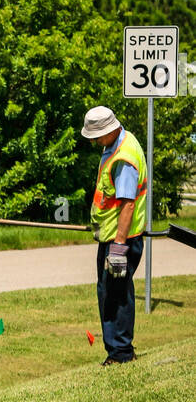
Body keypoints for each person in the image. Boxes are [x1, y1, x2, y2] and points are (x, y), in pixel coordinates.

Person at [82, 105, 148, 366]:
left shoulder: (123, 158)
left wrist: (119, 246)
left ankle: (120, 354)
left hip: (121, 240)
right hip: (114, 237)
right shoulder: (120, 143)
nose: (95, 141)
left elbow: (128, 204)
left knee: (115, 294)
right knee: (112, 291)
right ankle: (121, 351)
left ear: (110, 131)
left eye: (97, 136)